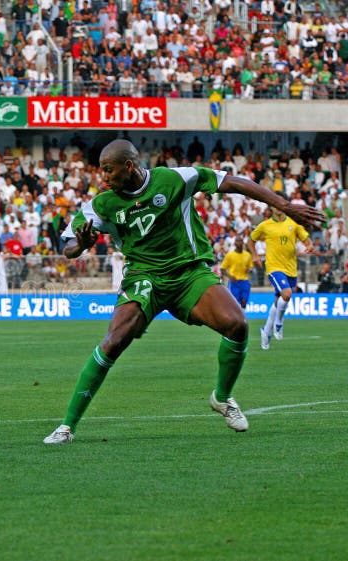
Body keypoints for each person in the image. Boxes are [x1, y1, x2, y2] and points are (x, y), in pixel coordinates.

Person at [43, 140, 325, 445]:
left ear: (129, 166)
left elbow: (232, 182)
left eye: (108, 170)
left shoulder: (174, 178)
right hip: (144, 278)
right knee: (113, 342)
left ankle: (222, 397)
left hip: (189, 273)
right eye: (102, 171)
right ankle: (67, 427)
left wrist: (285, 206)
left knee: (237, 325)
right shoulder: (103, 204)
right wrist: (81, 246)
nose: (104, 177)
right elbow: (69, 244)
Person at [247, 201, 315, 350]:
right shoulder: (265, 225)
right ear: (271, 207)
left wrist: (310, 246)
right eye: (275, 204)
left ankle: (266, 331)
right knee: (287, 294)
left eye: (280, 204)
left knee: (279, 300)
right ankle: (279, 323)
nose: (278, 207)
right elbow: (250, 240)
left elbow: (307, 240)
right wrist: (255, 256)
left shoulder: (293, 223)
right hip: (274, 267)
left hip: (291, 269)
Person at [219, 236, 253, 308]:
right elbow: (222, 268)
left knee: (244, 302)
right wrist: (230, 276)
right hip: (234, 282)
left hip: (244, 281)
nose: (239, 243)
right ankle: (237, 315)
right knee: (235, 303)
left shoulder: (248, 255)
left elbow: (250, 267)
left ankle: (242, 314)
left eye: (241, 241)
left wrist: (249, 270)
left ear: (243, 243)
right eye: (237, 241)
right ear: (234, 243)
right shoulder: (230, 255)